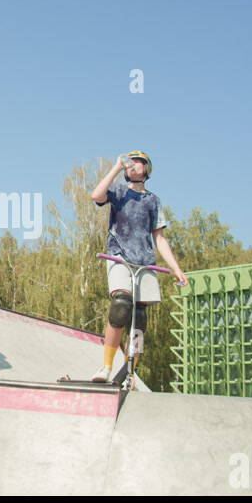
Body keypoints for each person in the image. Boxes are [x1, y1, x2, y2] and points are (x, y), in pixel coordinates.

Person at [90, 151, 188, 382]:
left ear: (147, 169)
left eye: (138, 163)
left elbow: (160, 238)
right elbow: (96, 195)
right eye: (129, 164)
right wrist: (116, 167)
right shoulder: (119, 192)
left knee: (140, 319)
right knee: (121, 306)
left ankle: (128, 372)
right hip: (120, 257)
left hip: (144, 262)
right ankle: (105, 366)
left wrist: (176, 268)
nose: (133, 166)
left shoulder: (153, 201)